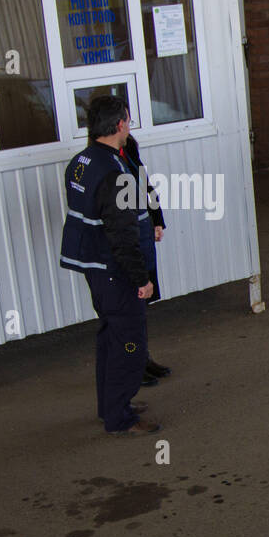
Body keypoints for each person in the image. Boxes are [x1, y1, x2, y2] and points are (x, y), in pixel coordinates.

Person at [58, 96, 159, 436]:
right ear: (119, 125)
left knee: (110, 336)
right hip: (113, 269)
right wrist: (141, 279)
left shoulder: (82, 161)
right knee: (130, 343)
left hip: (93, 265)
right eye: (128, 121)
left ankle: (110, 406)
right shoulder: (115, 173)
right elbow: (122, 237)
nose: (129, 126)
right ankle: (120, 417)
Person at [119, 133, 171, 387]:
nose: (128, 127)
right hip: (127, 244)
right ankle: (131, 364)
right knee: (129, 310)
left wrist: (157, 218)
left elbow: (145, 185)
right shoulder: (105, 162)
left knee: (141, 308)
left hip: (143, 237)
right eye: (126, 120)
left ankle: (143, 358)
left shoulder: (128, 149)